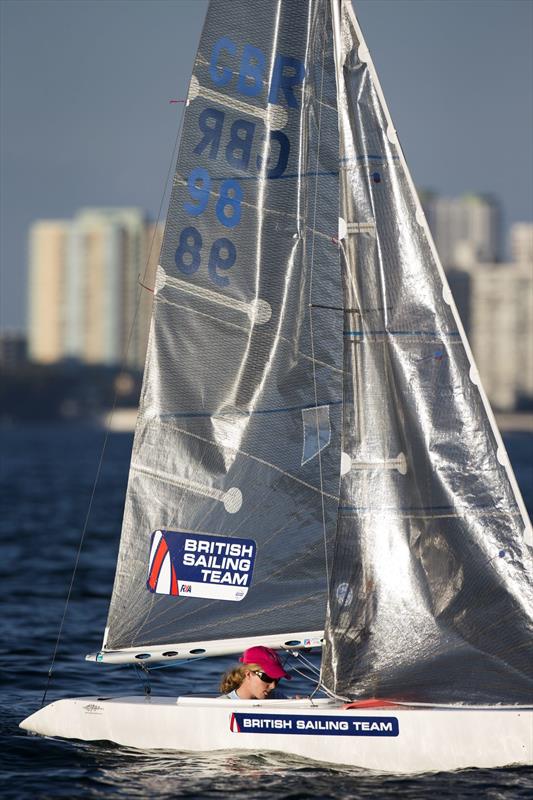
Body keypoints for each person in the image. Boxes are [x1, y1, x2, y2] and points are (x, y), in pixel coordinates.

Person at [220, 646, 291, 699]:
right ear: (248, 674)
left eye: (277, 679)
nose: (273, 686)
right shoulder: (221, 706)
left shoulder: (278, 698)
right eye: (268, 678)